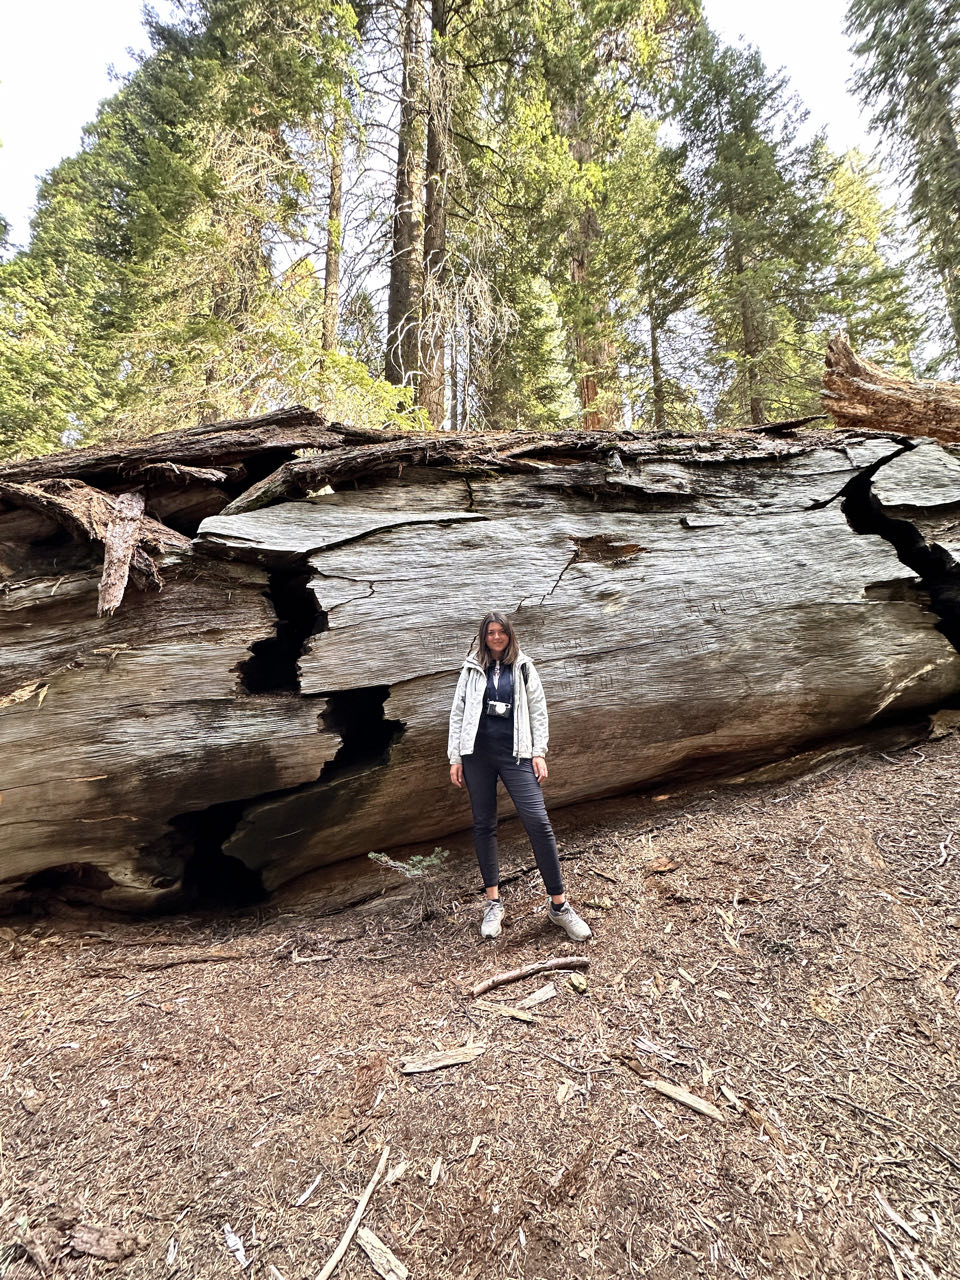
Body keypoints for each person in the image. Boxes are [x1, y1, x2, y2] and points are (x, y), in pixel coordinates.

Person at [447, 611, 592, 942]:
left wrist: (538, 752)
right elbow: (457, 713)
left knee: (538, 822)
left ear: (510, 635)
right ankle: (493, 903)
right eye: (490, 632)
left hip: (515, 755)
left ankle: (559, 907)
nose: (496, 637)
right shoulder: (471, 669)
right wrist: (455, 757)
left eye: (502, 632)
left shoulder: (524, 667)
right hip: (476, 756)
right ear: (483, 636)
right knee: (484, 825)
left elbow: (539, 711)